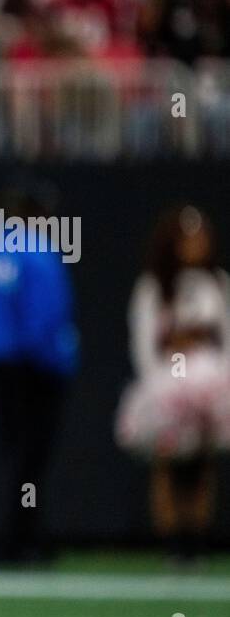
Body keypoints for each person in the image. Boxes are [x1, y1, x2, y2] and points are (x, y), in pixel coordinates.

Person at [0, 184, 78, 565]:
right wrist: (49, 357)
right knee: (31, 454)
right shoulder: (36, 252)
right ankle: (19, 539)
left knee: (14, 452)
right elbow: (48, 313)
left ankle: (21, 535)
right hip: (34, 365)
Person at [116, 205, 230, 565]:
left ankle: (196, 539)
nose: (196, 244)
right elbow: (144, 343)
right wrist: (162, 391)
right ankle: (173, 542)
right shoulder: (153, 288)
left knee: (200, 466)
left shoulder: (218, 285)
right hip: (167, 391)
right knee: (167, 464)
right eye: (188, 238)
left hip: (209, 392)